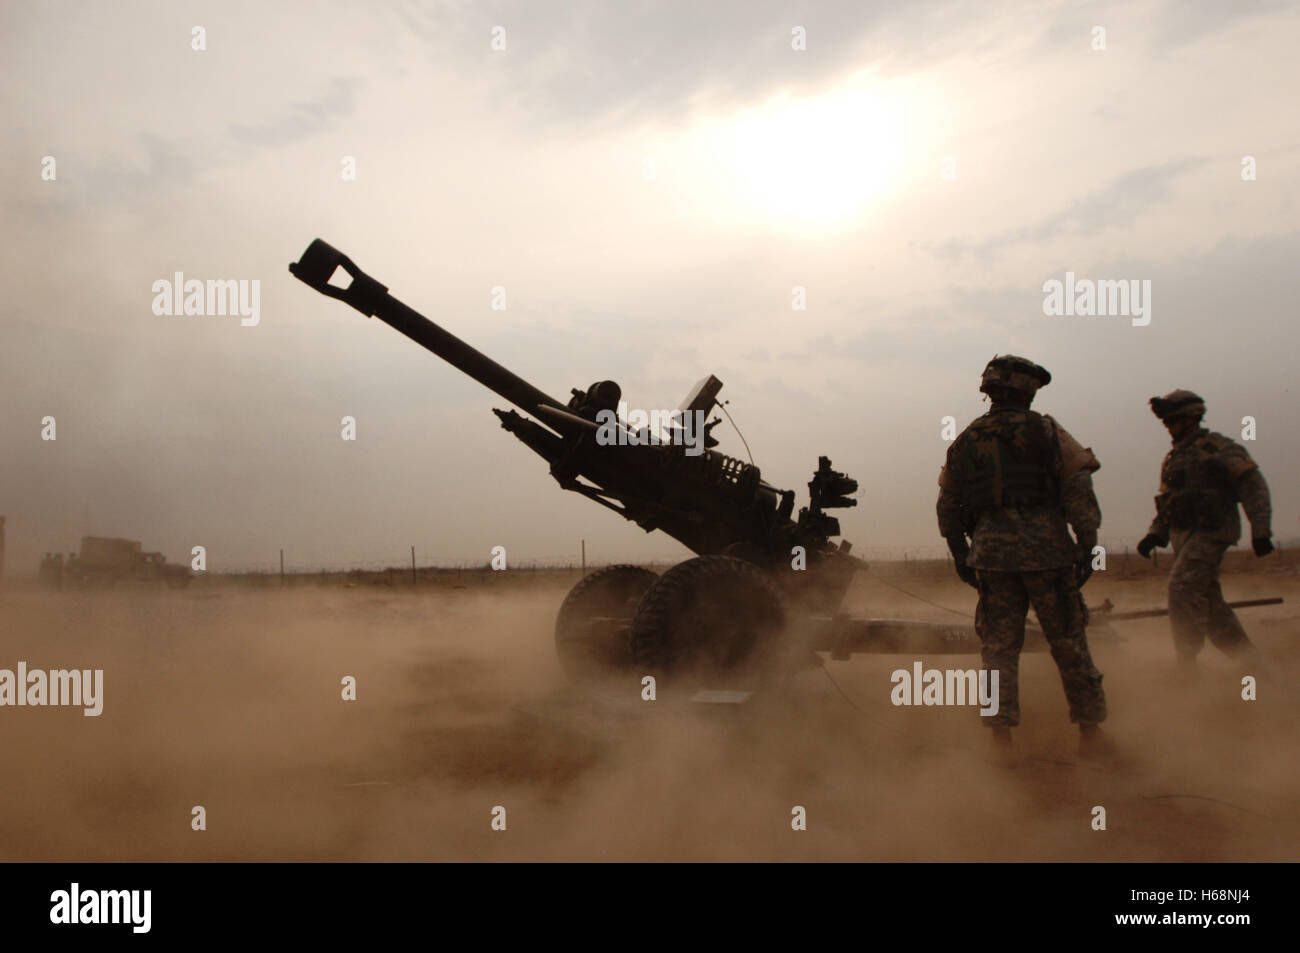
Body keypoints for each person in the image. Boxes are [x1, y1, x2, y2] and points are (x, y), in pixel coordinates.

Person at [937, 355, 1108, 758]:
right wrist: (1087, 545)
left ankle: (1001, 742)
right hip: (1047, 552)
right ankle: (1090, 736)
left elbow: (947, 505)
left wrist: (962, 555)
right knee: (1068, 643)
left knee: (998, 650)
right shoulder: (1047, 431)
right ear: (1027, 391)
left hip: (992, 559)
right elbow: (1078, 489)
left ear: (991, 391)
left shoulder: (966, 440)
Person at [1137, 390, 1273, 670]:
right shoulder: (1173, 458)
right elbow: (1168, 503)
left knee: (1182, 586)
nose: (1169, 427)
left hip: (1213, 532)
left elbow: (1252, 485)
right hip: (1183, 537)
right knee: (1211, 607)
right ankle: (1251, 665)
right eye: (1166, 422)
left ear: (1192, 419)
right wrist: (1155, 533)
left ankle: (1186, 665)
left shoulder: (1216, 448)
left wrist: (1261, 531)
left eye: (1175, 420)